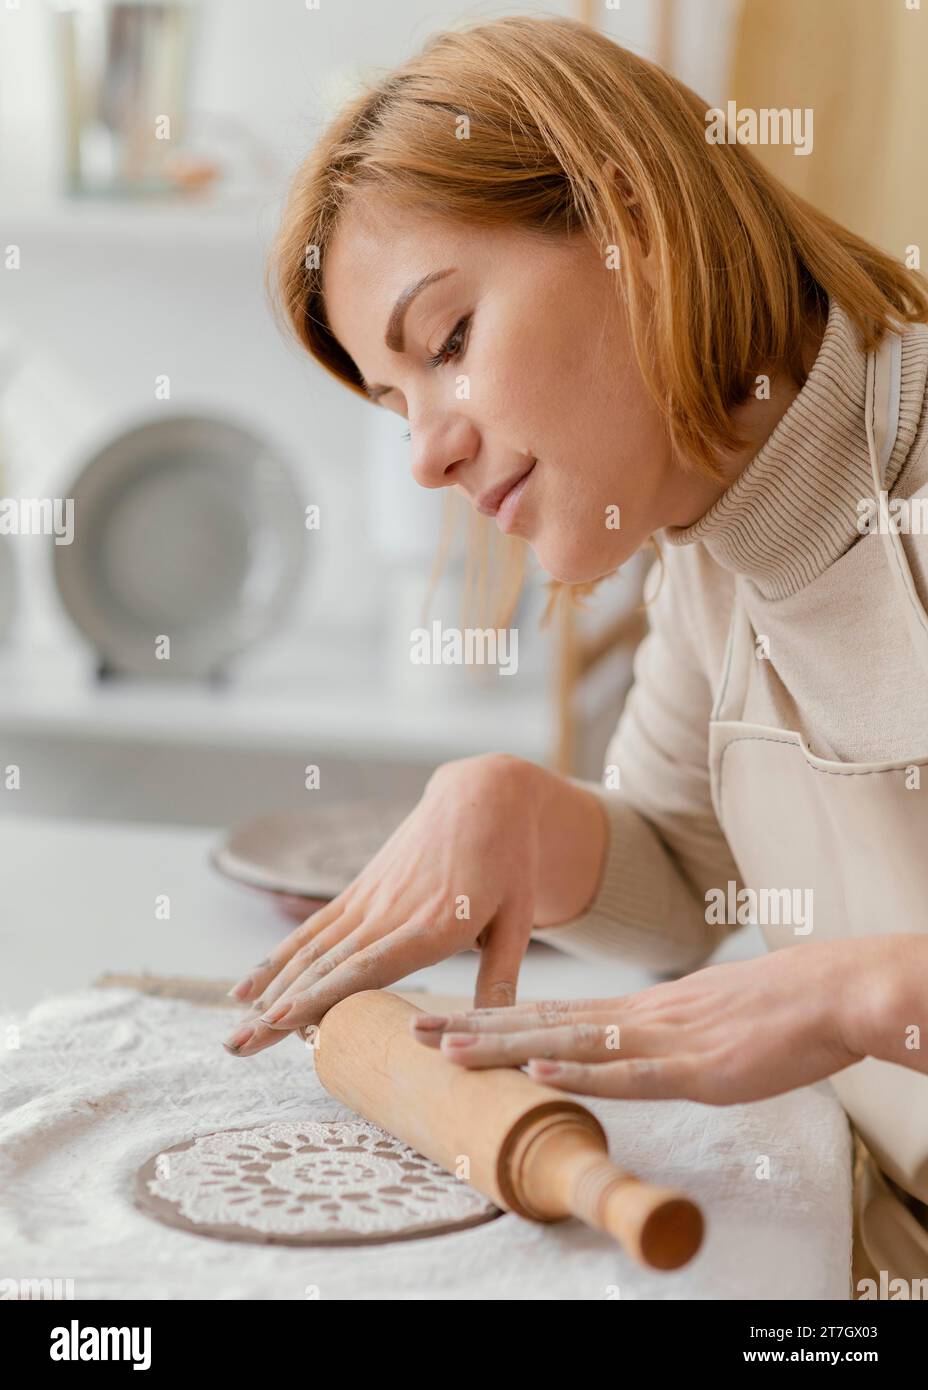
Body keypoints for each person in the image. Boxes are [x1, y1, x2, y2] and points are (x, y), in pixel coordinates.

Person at [226, 16, 928, 1283]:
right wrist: (516, 814)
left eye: (447, 343)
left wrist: (859, 995)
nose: (427, 451)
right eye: (398, 405)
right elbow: (679, 874)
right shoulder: (709, 537)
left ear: (632, 226)